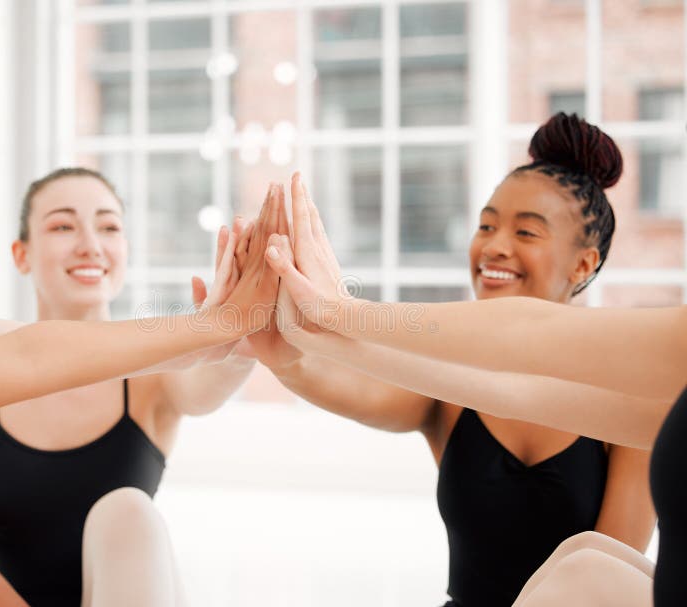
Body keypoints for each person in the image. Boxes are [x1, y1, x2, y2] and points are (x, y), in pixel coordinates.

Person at [248, 114, 655, 607]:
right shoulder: (449, 387)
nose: (494, 246)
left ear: (583, 264)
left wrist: (338, 316)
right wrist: (285, 356)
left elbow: (606, 580)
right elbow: (346, 384)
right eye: (486, 225)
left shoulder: (629, 402)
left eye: (526, 233)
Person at [0, 127, 282, 607]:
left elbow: (202, 388)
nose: (90, 244)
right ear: (22, 254)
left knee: (127, 510)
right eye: (62, 226)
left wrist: (238, 343)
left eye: (109, 227)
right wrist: (212, 329)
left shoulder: (151, 378)